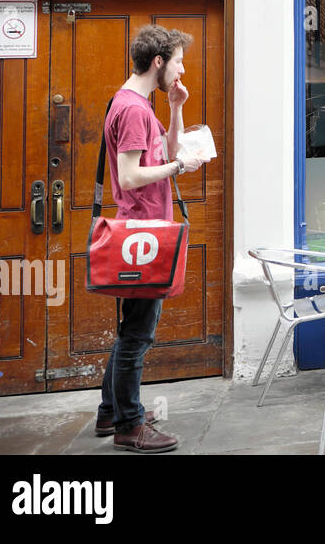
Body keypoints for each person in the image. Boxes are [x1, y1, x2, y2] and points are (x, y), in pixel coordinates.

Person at [97, 25, 209, 453]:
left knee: (131, 329)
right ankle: (129, 424)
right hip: (144, 232)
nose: (182, 69)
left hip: (147, 229)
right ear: (159, 62)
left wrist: (177, 109)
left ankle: (110, 411)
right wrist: (179, 168)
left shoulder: (138, 104)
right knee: (137, 336)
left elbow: (160, 149)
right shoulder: (133, 110)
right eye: (178, 61)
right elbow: (130, 176)